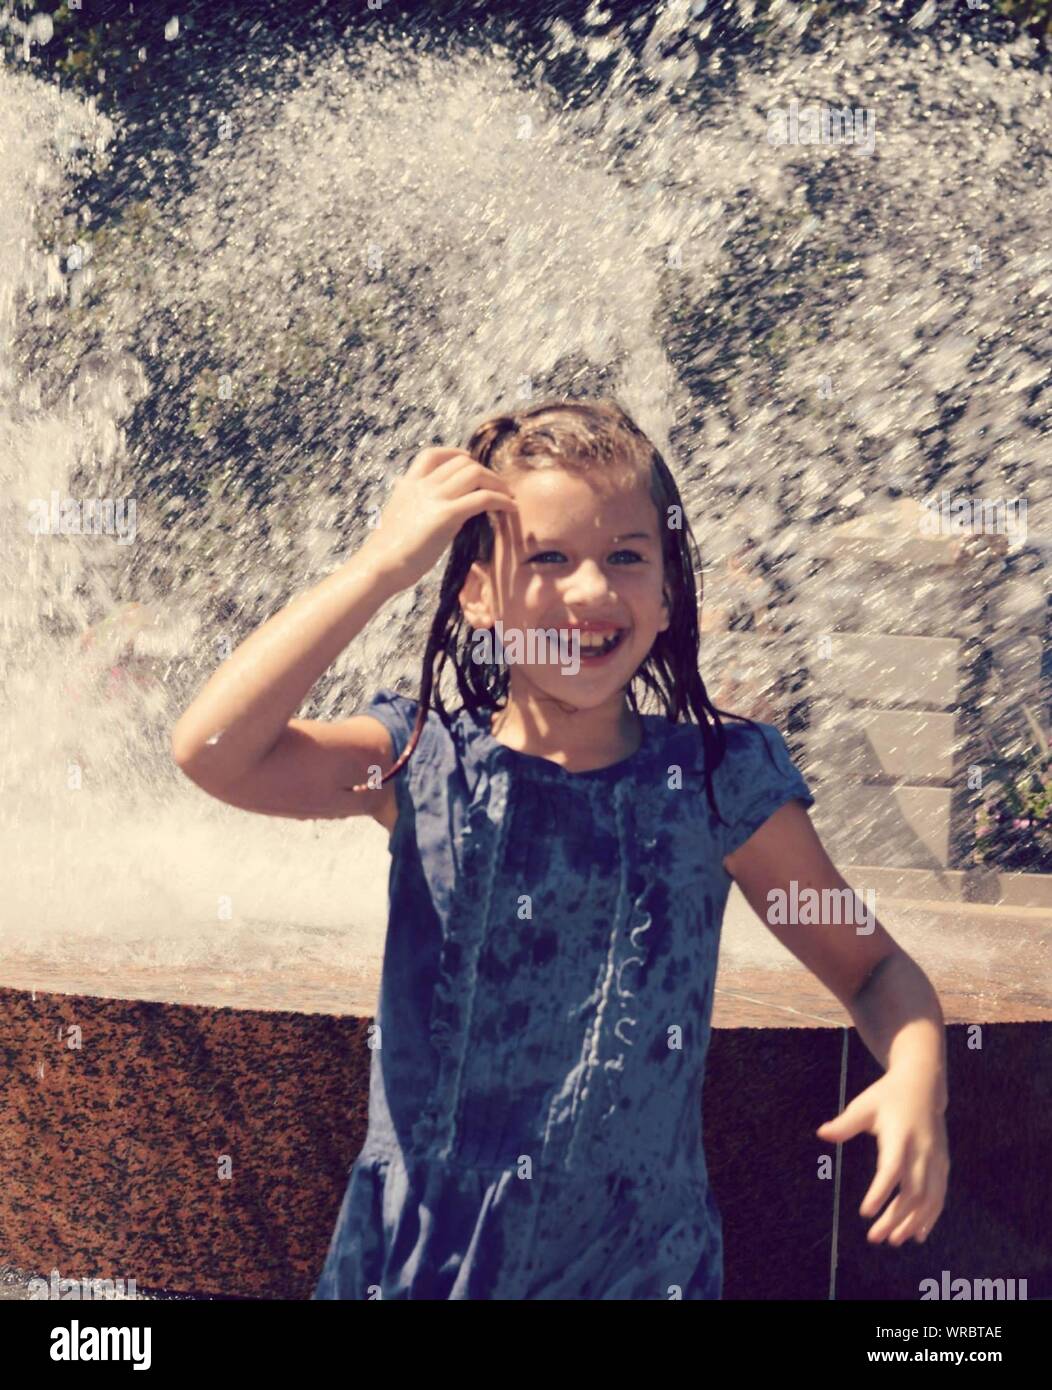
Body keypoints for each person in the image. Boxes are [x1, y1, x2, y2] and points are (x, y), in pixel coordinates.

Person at [171, 397, 949, 1300]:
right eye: (548, 558)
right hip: (424, 1262)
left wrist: (918, 1073)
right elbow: (212, 751)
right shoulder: (420, 762)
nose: (591, 591)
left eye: (627, 556)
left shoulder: (717, 784)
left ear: (667, 592)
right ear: (477, 593)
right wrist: (380, 566)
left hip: (633, 1265)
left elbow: (872, 968)